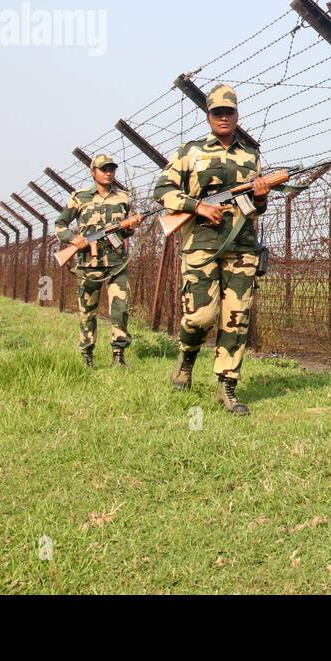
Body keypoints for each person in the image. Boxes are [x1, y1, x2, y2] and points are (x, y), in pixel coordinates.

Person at [153, 84, 270, 416]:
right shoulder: (189, 152)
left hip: (242, 245)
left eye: (228, 112)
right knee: (200, 316)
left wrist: (260, 196)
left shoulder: (251, 154)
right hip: (201, 246)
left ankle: (227, 388)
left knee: (236, 318)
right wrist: (197, 206)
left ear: (236, 115)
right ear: (208, 116)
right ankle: (187, 358)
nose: (223, 117)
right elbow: (161, 190)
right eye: (217, 112)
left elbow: (254, 207)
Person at [54, 154, 141, 368]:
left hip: (117, 264)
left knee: (120, 309)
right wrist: (75, 239)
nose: (108, 172)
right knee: (87, 312)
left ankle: (119, 355)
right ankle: (87, 354)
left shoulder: (123, 198)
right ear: (93, 172)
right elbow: (60, 225)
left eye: (111, 168)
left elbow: (123, 233)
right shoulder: (79, 197)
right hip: (88, 265)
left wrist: (130, 227)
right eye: (103, 169)